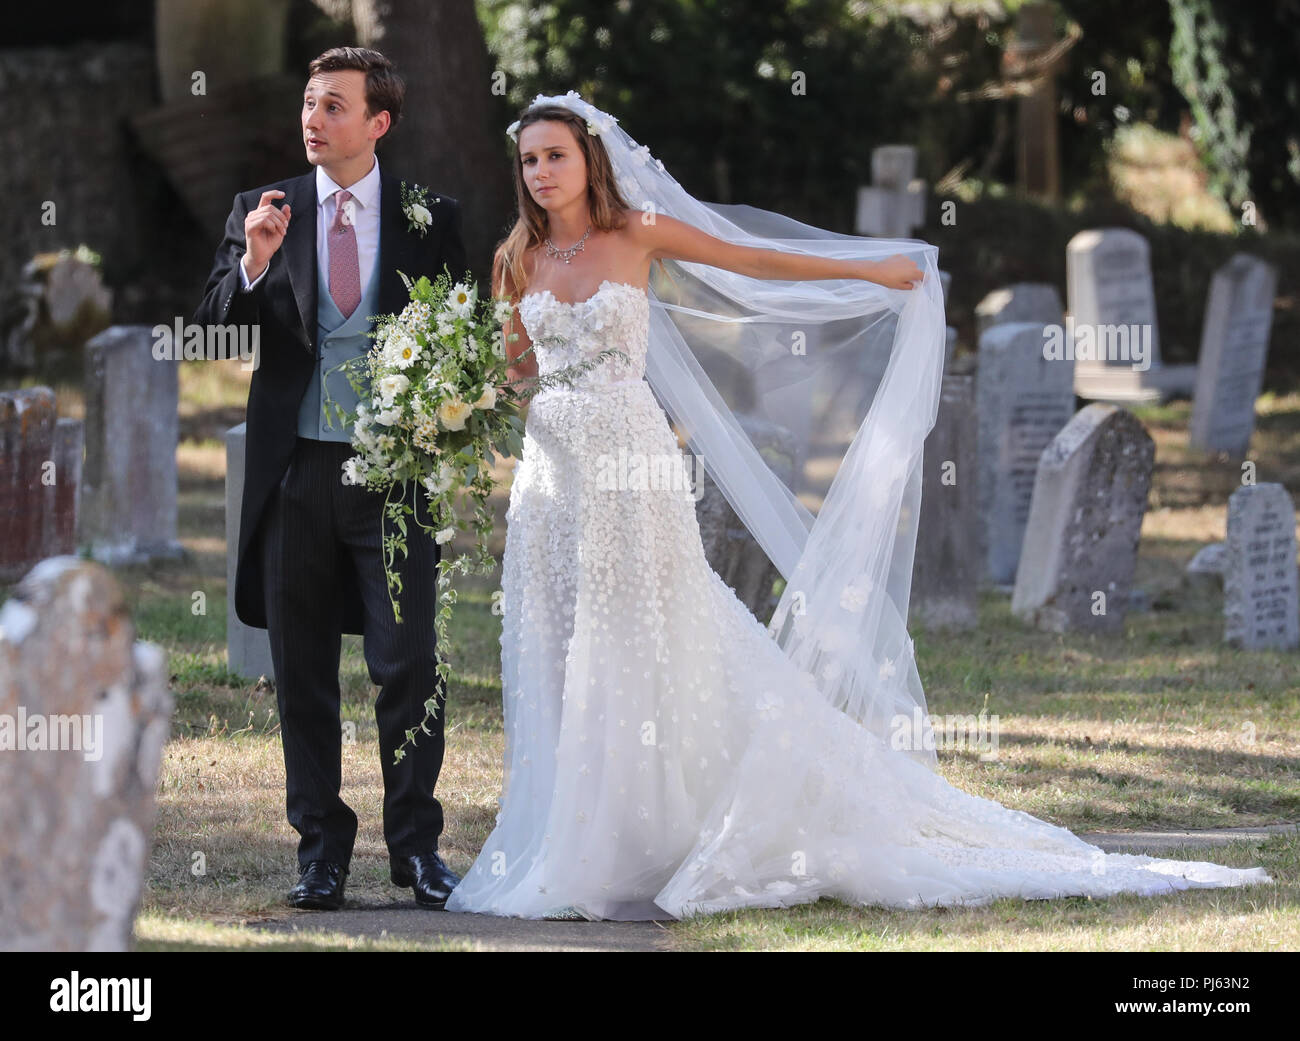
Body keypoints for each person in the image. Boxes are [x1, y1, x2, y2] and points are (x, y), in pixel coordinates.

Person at [445, 92, 1273, 920]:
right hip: (553, 476)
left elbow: (753, 261)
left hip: (632, 459)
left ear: (591, 159)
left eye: (556, 155)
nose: (542, 172)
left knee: (645, 633)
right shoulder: (517, 256)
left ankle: (655, 834)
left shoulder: (640, 234)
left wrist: (871, 268)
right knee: (556, 637)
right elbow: (514, 368)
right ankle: (578, 834)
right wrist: (453, 399)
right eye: (528, 160)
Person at [193, 47, 465, 912]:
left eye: (335, 106)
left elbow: (461, 343)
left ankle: (417, 848)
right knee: (300, 669)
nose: (314, 118)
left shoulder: (430, 217)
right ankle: (321, 851)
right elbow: (210, 330)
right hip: (294, 475)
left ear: (378, 122)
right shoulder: (261, 210)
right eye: (310, 103)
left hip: (394, 479)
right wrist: (255, 266)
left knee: (409, 661)